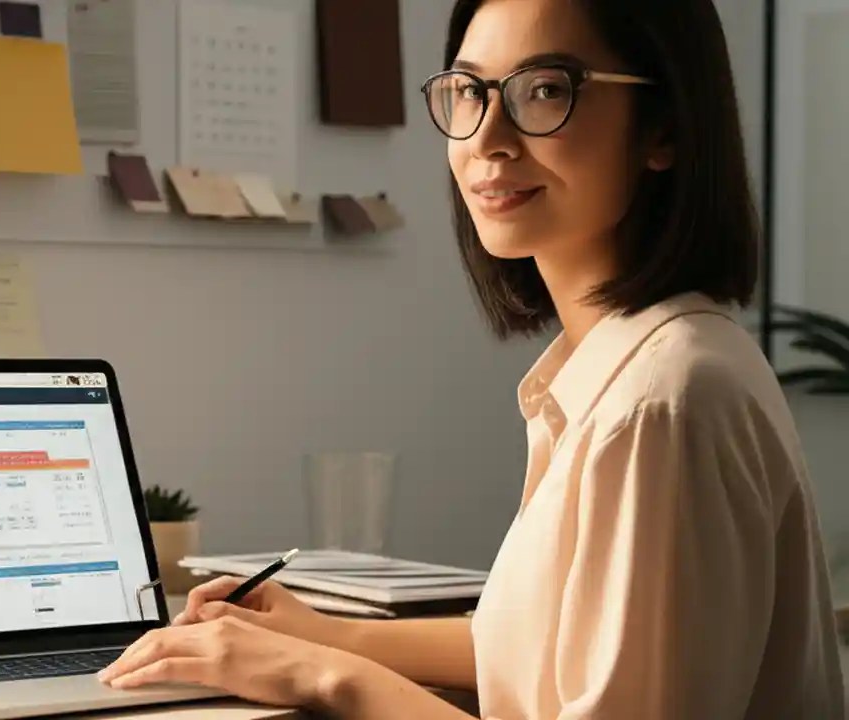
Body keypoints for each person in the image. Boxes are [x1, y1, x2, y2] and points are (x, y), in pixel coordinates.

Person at [97, 0, 848, 717]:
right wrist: (322, 633)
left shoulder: (662, 400)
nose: (487, 137)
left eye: (544, 89)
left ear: (664, 128)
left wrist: (322, 674)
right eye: (468, 92)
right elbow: (540, 649)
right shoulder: (644, 362)